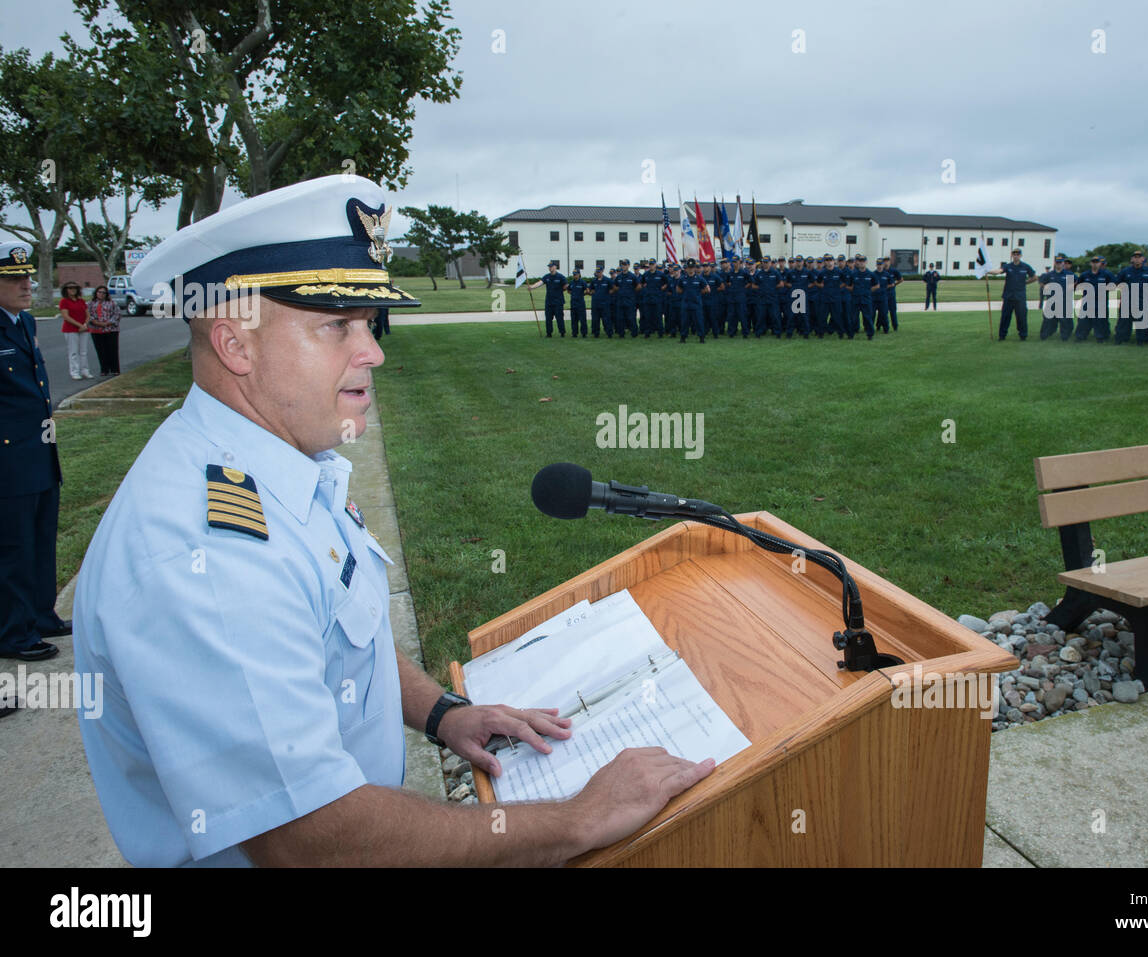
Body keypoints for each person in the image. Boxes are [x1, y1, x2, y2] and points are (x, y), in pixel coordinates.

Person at [72, 175, 713, 868]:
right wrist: (577, 818)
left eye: (366, 323)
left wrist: (442, 712)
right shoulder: (209, 555)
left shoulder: (282, 461)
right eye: (336, 324)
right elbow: (316, 839)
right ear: (236, 344)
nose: (373, 350)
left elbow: (347, 637)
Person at [0, 240, 67, 666]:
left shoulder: (23, 323)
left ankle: (41, 614)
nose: (27, 284)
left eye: (27, 276)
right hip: (8, 462)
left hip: (39, 453)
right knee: (13, 549)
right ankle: (15, 632)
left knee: (42, 541)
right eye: (14, 279)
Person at [985, 248, 1036, 340]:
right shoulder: (1008, 266)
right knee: (1005, 317)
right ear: (1012, 255)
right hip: (1008, 297)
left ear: (1020, 255)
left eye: (1018, 254)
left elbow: (1034, 277)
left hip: (1020, 298)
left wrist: (1025, 283)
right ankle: (1002, 336)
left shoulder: (1025, 266)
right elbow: (998, 271)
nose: (1016, 256)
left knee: (1021, 318)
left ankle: (1023, 336)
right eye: (1014, 254)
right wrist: (988, 271)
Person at [1113, 250, 1148, 345]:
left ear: (1143, 259)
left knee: (1141, 321)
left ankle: (1141, 340)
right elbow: (1116, 283)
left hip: (1142, 300)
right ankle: (1120, 339)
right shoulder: (1125, 271)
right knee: (1123, 322)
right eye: (1135, 257)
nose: (1137, 259)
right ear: (1132, 259)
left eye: (1139, 257)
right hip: (1126, 301)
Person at [1073, 256, 1116, 342]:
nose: (1095, 264)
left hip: (1100, 302)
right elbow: (1077, 285)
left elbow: (1113, 285)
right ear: (1090, 263)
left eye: (1097, 262)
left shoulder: (1106, 274)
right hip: (1087, 301)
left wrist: (1104, 288)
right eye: (1093, 262)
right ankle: (1080, 337)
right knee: (1083, 320)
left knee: (1100, 321)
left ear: (1100, 263)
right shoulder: (1085, 274)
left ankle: (1100, 337)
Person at [59, 281, 91, 380]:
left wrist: (85, 324)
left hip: (84, 329)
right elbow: (66, 316)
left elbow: (88, 314)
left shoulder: (81, 301)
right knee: (73, 352)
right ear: (66, 290)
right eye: (70, 288)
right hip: (71, 329)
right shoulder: (64, 301)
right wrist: (79, 325)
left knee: (83, 351)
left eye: (74, 288)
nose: (72, 290)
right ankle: (74, 371)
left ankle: (85, 370)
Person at [87, 285, 122, 375]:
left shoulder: (112, 303)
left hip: (111, 330)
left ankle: (115, 369)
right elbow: (88, 315)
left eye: (104, 293)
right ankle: (104, 369)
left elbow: (117, 314)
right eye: (99, 292)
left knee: (112, 350)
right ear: (96, 293)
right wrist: (96, 322)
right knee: (101, 350)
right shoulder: (90, 304)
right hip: (96, 330)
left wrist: (107, 323)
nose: (101, 294)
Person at [528, 260, 567, 337]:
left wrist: (560, 291)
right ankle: (549, 333)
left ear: (555, 267)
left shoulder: (561, 277)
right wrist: (532, 287)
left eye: (551, 266)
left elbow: (565, 286)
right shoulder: (547, 277)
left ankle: (562, 332)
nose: (550, 268)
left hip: (558, 302)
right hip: (549, 302)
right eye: (549, 267)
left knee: (559, 318)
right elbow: (540, 283)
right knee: (548, 319)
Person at [588, 264, 614, 338]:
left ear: (602, 271)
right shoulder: (594, 281)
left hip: (605, 304)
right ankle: (596, 333)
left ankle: (609, 333)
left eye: (599, 272)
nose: (598, 273)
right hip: (595, 304)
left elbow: (613, 288)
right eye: (597, 272)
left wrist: (608, 294)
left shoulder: (607, 280)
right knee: (595, 320)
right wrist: (591, 292)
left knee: (606, 319)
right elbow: (590, 290)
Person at [567, 267, 588, 338]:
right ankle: (574, 333)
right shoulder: (572, 282)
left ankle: (584, 333)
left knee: (582, 320)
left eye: (576, 274)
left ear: (579, 274)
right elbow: (568, 290)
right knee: (574, 320)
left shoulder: (582, 282)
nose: (574, 275)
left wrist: (582, 294)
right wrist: (574, 294)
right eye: (573, 274)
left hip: (581, 304)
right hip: (573, 304)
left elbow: (587, 290)